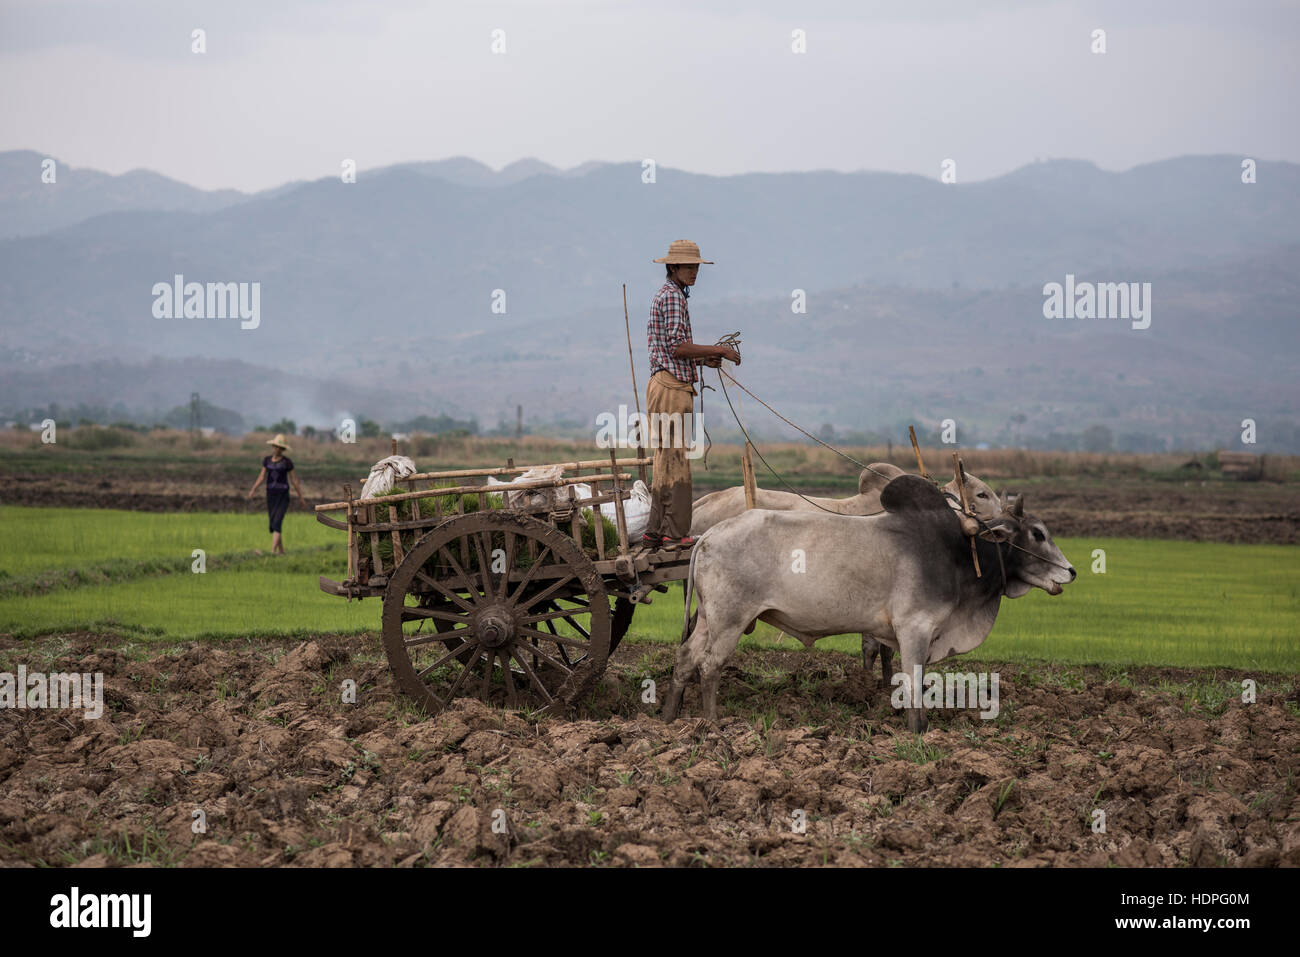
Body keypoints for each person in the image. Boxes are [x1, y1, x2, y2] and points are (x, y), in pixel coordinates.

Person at [642, 240, 741, 550]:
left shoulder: (670, 295)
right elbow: (676, 347)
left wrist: (703, 359)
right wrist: (719, 349)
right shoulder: (673, 298)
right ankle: (676, 533)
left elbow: (674, 350)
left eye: (696, 266)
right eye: (688, 267)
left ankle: (656, 531)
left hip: (664, 383)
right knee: (677, 459)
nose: (694, 272)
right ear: (673, 268)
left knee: (665, 458)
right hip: (671, 388)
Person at [247, 433, 307, 554]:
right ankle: (281, 551)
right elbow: (262, 476)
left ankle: (273, 551)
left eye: (280, 447)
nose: (277, 449)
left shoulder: (287, 462)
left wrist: (301, 497)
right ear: (273, 447)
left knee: (277, 521)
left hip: (283, 496)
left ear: (283, 449)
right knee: (273, 523)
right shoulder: (267, 461)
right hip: (270, 495)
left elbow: (294, 480)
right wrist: (253, 489)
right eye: (275, 446)